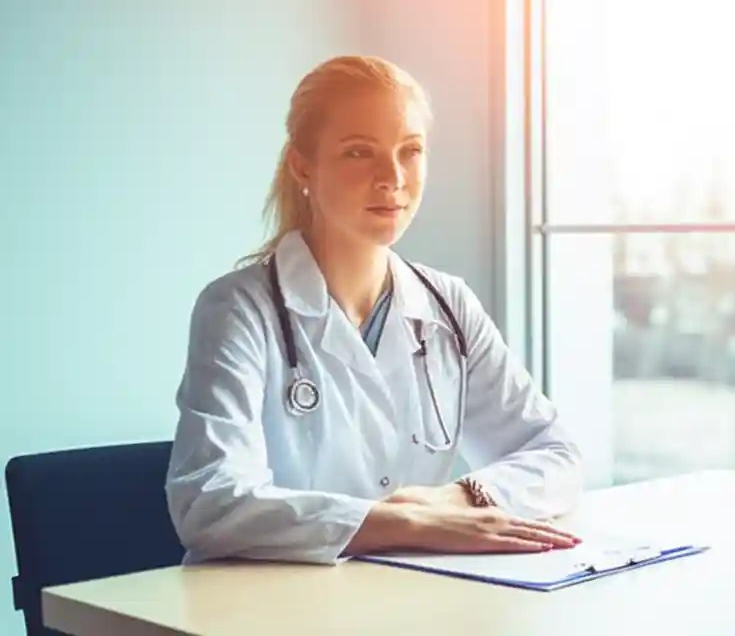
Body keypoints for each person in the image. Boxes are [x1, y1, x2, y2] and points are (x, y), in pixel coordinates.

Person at [166, 55, 583, 565]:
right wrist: (401, 523)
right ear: (303, 166)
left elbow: (557, 454)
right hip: (264, 604)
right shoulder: (239, 308)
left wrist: (453, 501)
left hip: (398, 594)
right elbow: (209, 501)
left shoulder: (446, 304)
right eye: (359, 152)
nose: (392, 177)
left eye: (410, 151)